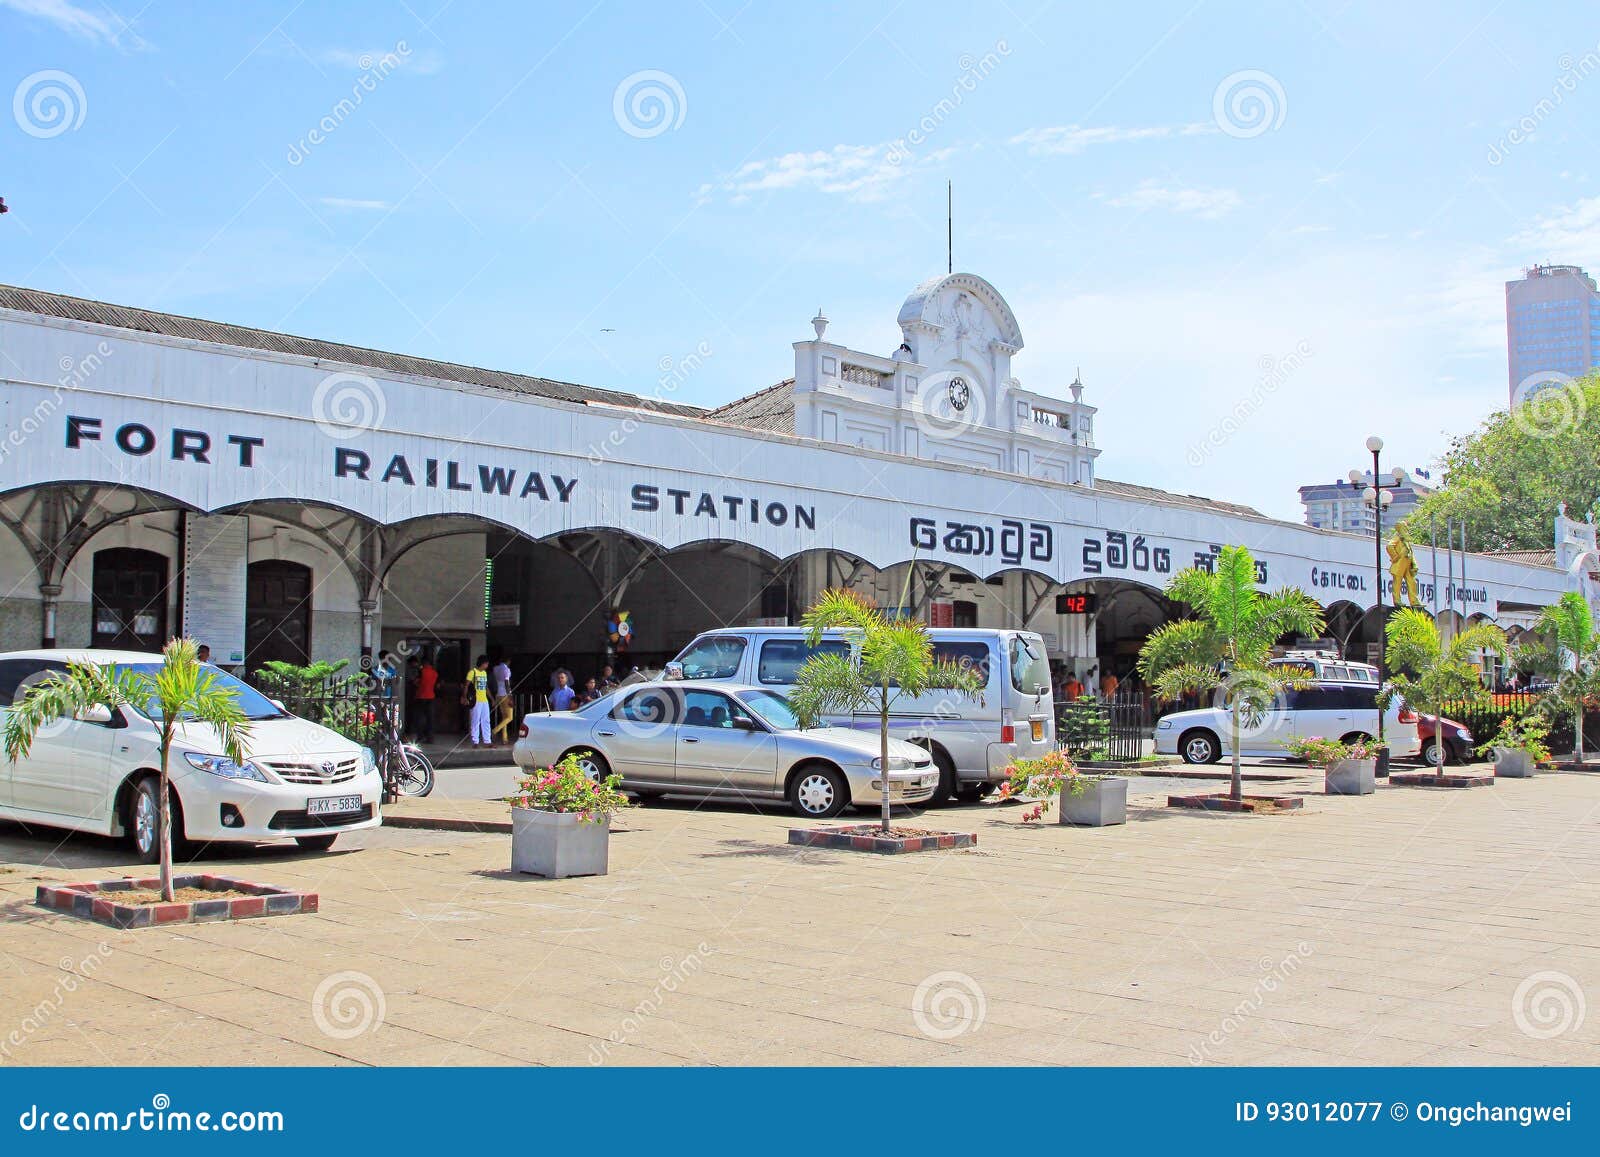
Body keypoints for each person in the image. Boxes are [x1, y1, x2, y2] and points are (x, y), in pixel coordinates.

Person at [412, 655, 438, 744]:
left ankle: (420, 737)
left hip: (421, 697)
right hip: (431, 697)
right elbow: (437, 685)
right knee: (430, 719)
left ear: (424, 662)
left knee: (419, 718)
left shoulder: (421, 671)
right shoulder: (435, 672)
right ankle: (430, 738)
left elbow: (415, 682)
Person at [467, 655, 492, 746]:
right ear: (483, 663)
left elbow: (486, 687)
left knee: (486, 720)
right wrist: (464, 697)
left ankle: (487, 740)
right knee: (475, 720)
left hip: (484, 700)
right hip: (476, 700)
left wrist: (491, 698)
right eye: (487, 664)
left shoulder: (484, 673)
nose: (487, 665)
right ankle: (475, 740)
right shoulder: (472, 672)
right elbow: (466, 685)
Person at [491, 655, 513, 745]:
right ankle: (494, 730)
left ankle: (505, 738)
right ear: (508, 661)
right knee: (509, 717)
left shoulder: (495, 668)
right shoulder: (506, 669)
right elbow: (507, 683)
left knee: (504, 717)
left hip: (498, 694)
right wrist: (510, 696)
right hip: (505, 694)